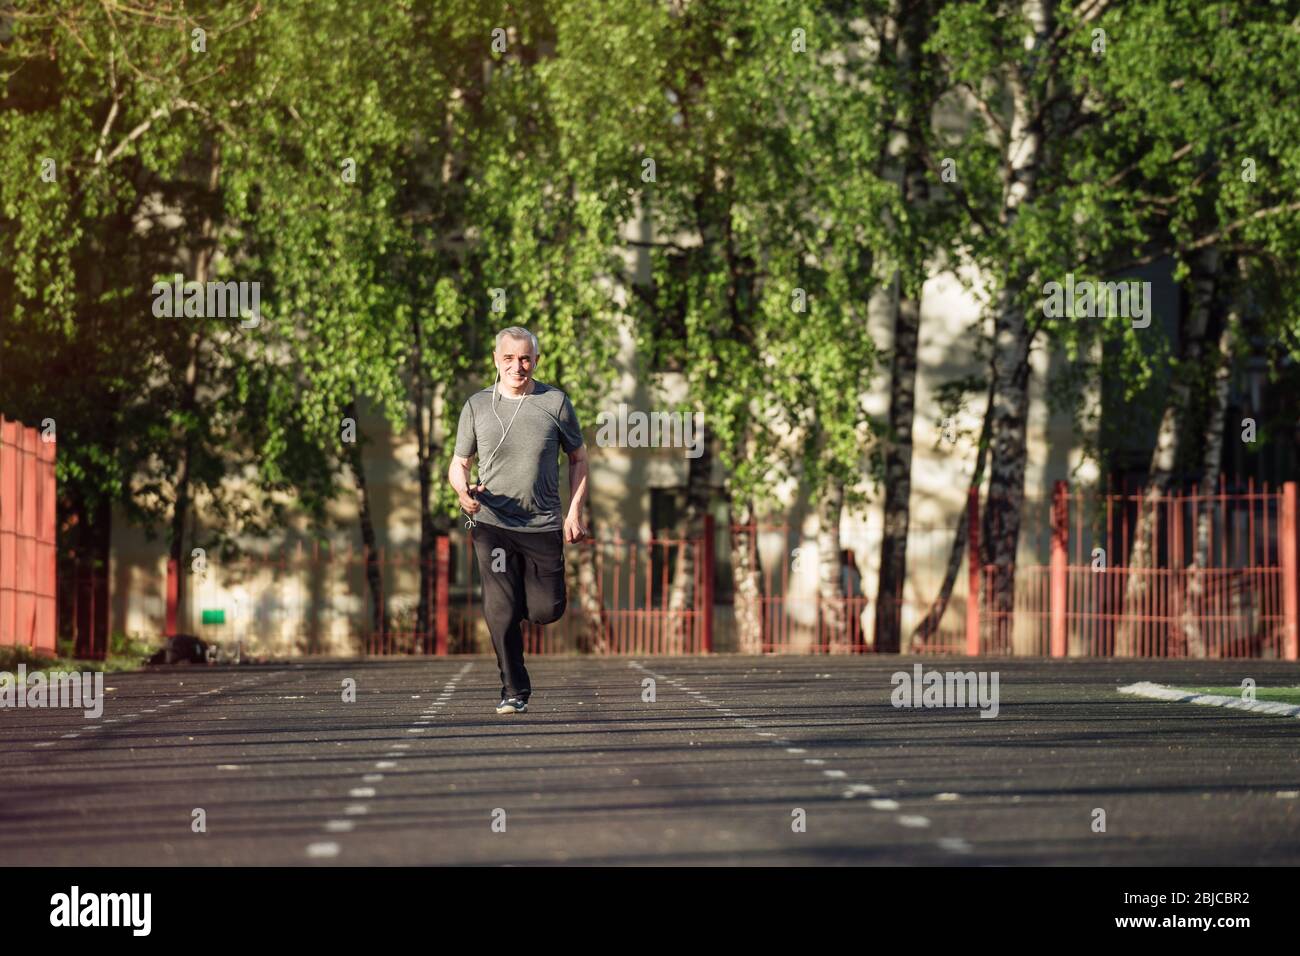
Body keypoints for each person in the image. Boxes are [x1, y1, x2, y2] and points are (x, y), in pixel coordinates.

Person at [448, 326, 589, 714]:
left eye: (525, 358)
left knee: (547, 610)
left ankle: (521, 599)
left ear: (536, 361)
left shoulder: (555, 403)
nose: (517, 366)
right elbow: (459, 463)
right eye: (509, 358)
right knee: (501, 608)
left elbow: (579, 458)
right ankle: (514, 688)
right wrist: (463, 493)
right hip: (492, 521)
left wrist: (574, 511)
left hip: (542, 524)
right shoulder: (477, 406)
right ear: (496, 361)